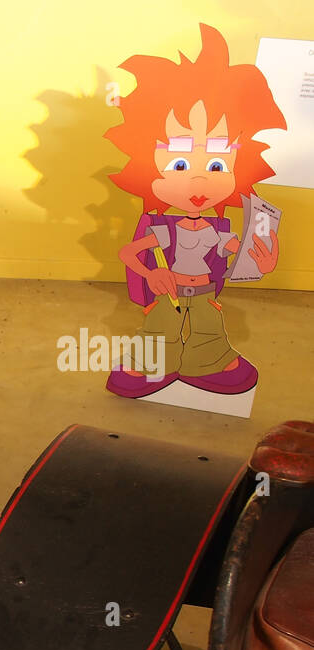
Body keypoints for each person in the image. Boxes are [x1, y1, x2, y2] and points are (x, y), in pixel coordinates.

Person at [105, 24, 284, 398]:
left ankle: (207, 365)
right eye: (181, 165)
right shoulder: (166, 229)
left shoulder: (218, 231)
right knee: (159, 333)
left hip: (203, 293)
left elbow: (239, 254)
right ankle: (153, 367)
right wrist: (151, 276)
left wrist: (261, 263)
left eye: (218, 164)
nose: (200, 182)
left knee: (209, 332)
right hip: (168, 292)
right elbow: (128, 253)